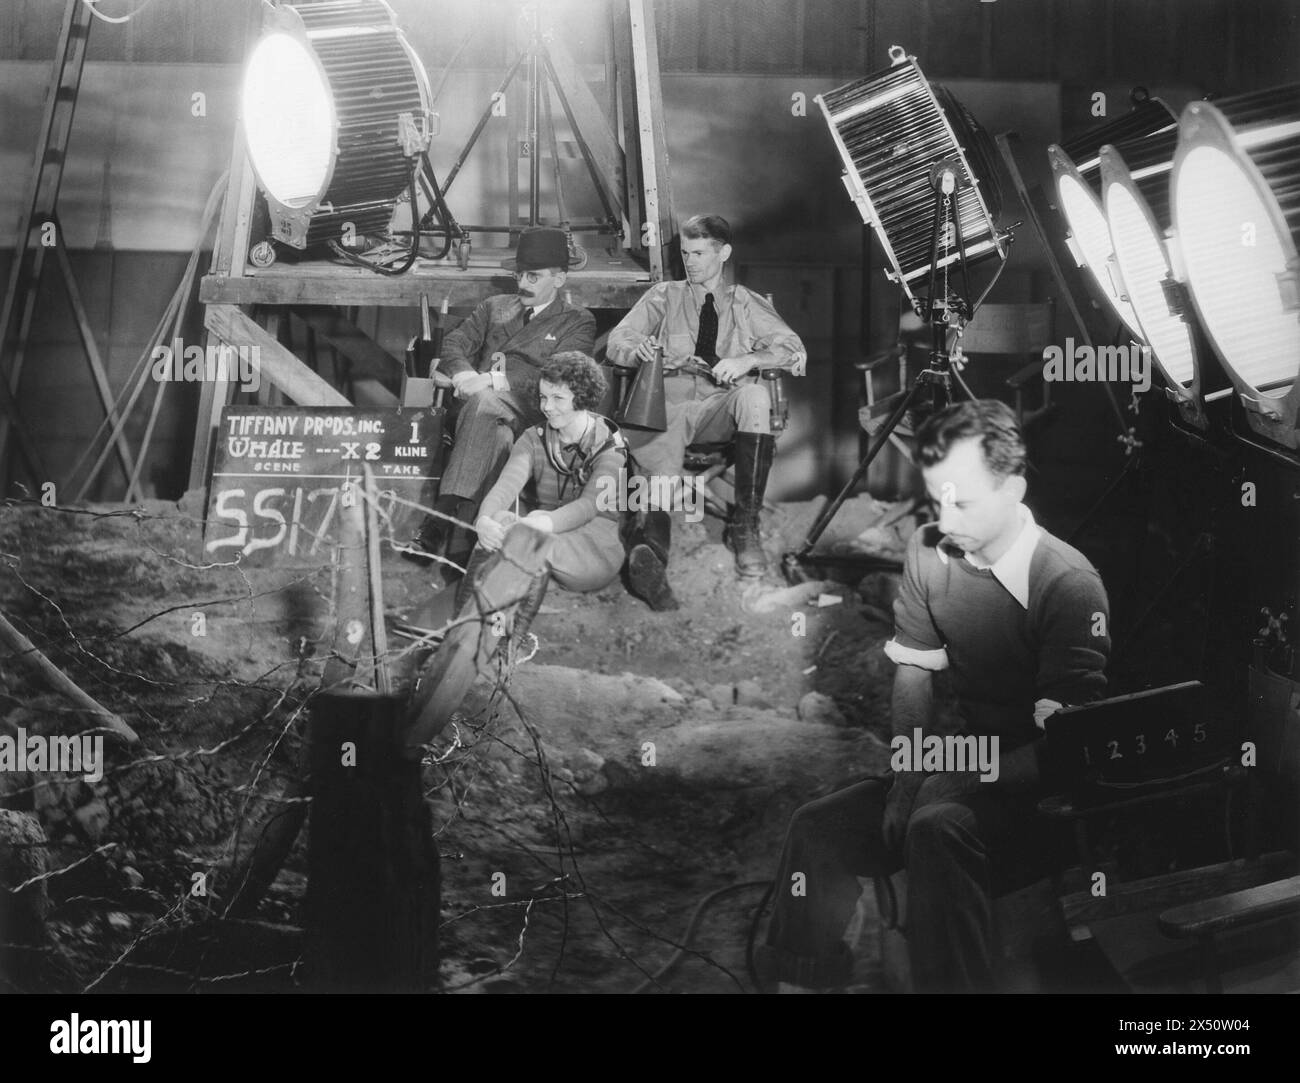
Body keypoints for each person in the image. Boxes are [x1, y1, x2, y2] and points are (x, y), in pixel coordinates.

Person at [756, 399, 1111, 992]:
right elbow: (915, 671)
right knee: (819, 828)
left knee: (937, 827)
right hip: (967, 761)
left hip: (1047, 789)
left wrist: (952, 782)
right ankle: (802, 980)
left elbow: (1068, 746)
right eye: (936, 497)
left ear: (1013, 489)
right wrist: (907, 776)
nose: (945, 519)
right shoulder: (928, 552)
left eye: (963, 500)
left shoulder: (1068, 584)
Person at [605, 214, 805, 606]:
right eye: (684, 253)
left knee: (755, 397)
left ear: (723, 253)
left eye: (698, 253)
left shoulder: (745, 302)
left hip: (719, 409)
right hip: (668, 406)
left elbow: (794, 349)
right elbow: (617, 340)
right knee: (667, 418)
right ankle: (653, 546)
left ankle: (745, 526)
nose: (690, 261)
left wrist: (749, 359)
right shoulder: (665, 295)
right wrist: (637, 349)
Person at [406, 226, 595, 566]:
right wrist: (463, 372)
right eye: (520, 274)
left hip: (534, 411)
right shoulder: (495, 306)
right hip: (483, 415)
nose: (523, 283)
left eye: (533, 276)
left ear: (560, 279)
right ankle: (471, 546)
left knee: (485, 403)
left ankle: (439, 519)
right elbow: (454, 343)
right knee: (498, 435)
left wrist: (490, 380)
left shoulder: (577, 322)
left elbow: (559, 375)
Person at [454, 352, 628, 638]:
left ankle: (513, 643)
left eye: (558, 399)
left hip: (594, 545)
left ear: (582, 398)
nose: (547, 407)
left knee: (531, 534)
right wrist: (484, 521)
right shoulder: (533, 437)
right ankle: (460, 628)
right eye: (544, 397)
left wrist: (537, 524)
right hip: (547, 530)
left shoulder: (611, 446)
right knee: (500, 520)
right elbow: (504, 487)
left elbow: (587, 507)